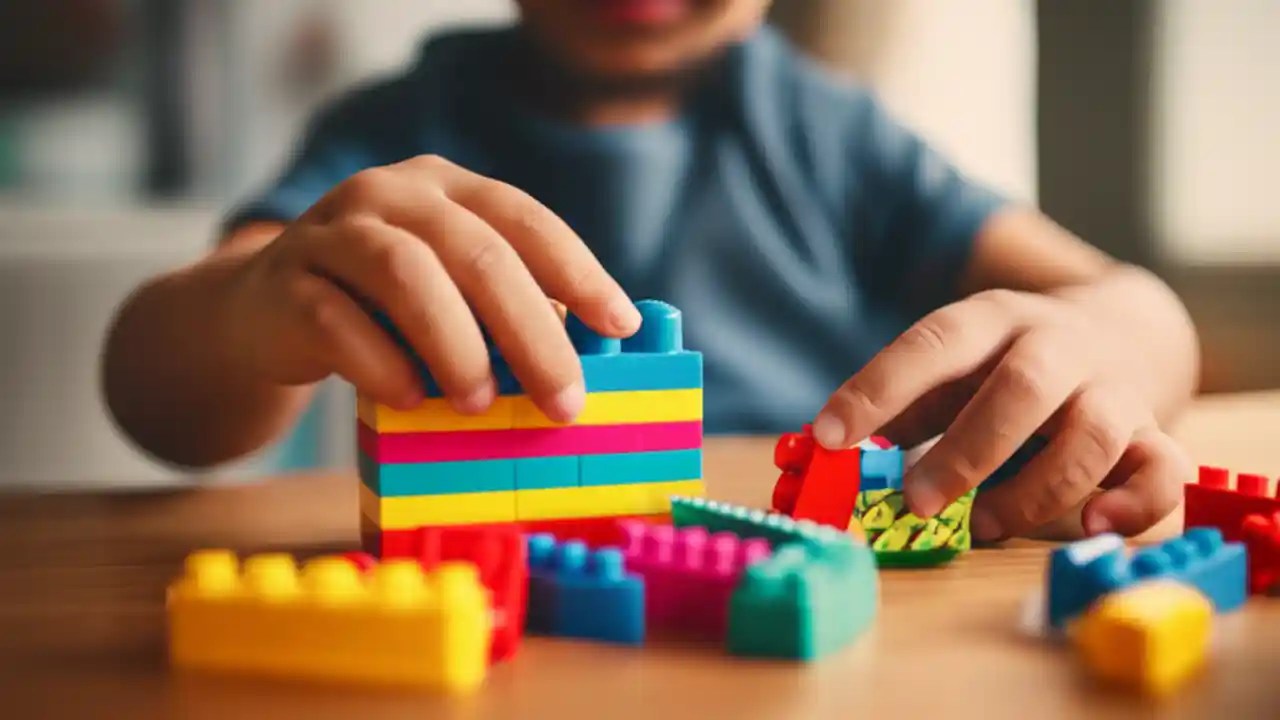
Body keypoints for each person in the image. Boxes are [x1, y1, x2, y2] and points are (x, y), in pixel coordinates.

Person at [102, 0, 1198, 542]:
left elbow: (1134, 305)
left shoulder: (827, 136)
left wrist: (1113, 338)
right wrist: (246, 311)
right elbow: (158, 392)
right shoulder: (392, 130)